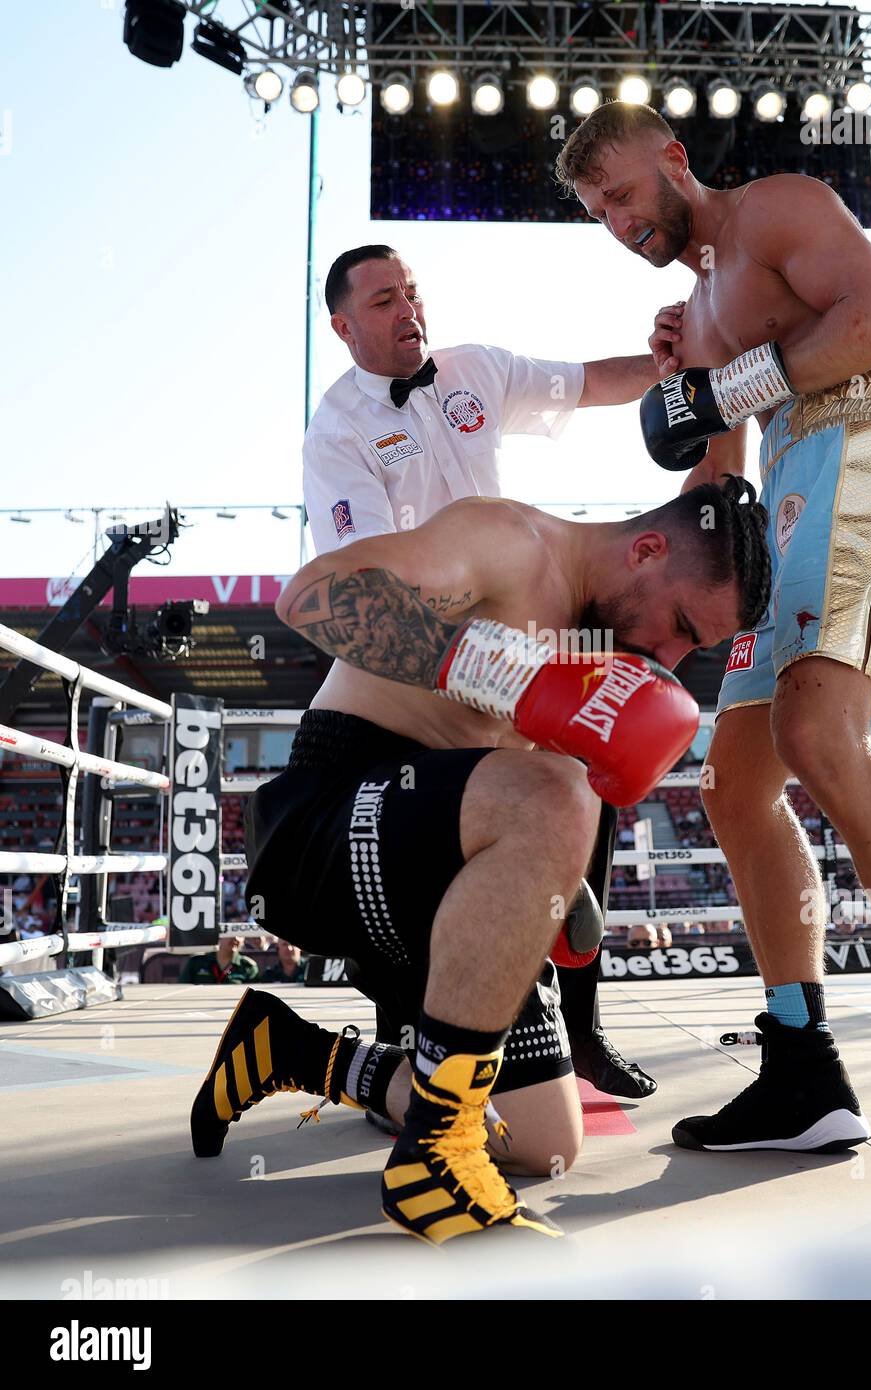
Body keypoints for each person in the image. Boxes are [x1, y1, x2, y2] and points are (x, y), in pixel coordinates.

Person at [556, 100, 871, 1200]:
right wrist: (641, 598)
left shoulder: (777, 209)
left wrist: (724, 380)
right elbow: (715, 481)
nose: (620, 222)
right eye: (599, 213)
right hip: (779, 500)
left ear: (675, 161)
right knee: (736, 784)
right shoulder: (695, 304)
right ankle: (801, 1064)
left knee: (821, 735)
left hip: (869, 445)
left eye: (626, 195)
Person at [191, 481, 770, 1243]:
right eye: (681, 626)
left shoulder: (600, 650)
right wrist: (511, 674)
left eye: (691, 649)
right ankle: (432, 1150)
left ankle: (295, 1050)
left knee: (544, 1145)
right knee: (558, 794)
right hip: (330, 822)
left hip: (445, 860)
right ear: (647, 549)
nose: (669, 656)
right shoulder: (505, 539)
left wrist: (555, 889)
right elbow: (311, 597)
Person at [303, 242, 665, 1099]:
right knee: (424, 828)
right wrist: (461, 655)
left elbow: (588, 383)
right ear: (343, 325)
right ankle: (404, 1024)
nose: (407, 310)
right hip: (415, 658)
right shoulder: (336, 431)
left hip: (518, 623)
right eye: (385, 299)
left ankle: (580, 1030)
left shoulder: (475, 370)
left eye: (412, 292)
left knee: (591, 779)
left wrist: (668, 363)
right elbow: (354, 572)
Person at [180, 933, 260, 985]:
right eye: (230, 934)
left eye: (239, 935)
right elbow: (182, 988)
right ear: (218, 937)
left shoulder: (248, 967)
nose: (235, 938)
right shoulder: (196, 962)